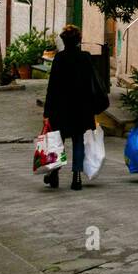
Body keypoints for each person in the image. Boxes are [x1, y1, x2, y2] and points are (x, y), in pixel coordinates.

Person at [42, 24, 107, 190]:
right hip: (81, 107)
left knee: (58, 141)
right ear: (79, 40)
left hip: (60, 108)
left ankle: (54, 173)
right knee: (78, 140)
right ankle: (76, 177)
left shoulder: (59, 59)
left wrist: (47, 111)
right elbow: (93, 84)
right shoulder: (85, 58)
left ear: (64, 41)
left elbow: (52, 87)